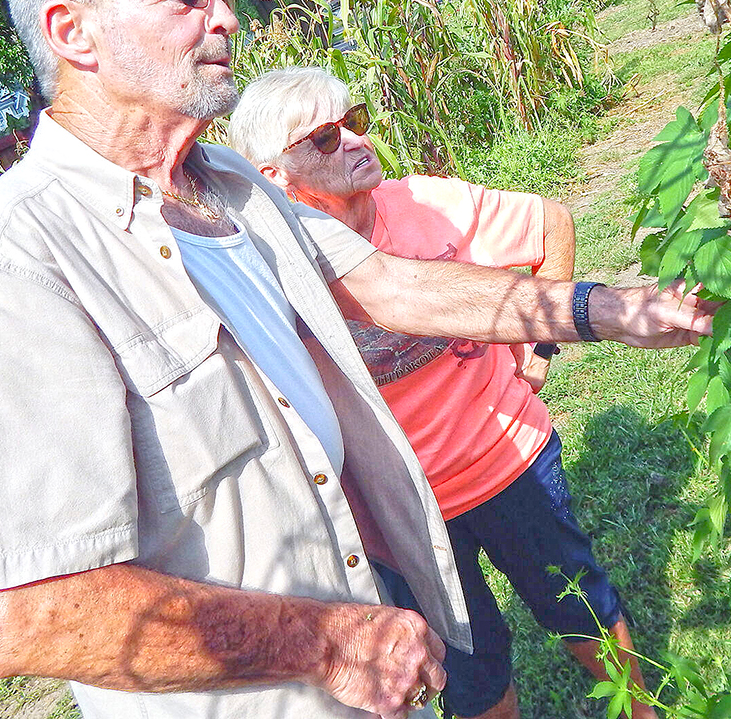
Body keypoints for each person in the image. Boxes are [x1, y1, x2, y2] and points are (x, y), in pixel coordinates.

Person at [0, 0, 715, 719]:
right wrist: (324, 642)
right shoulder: (14, 262)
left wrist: (606, 308)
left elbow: (397, 286)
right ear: (74, 31)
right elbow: (18, 613)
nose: (225, 16)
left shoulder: (234, 188)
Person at [229, 67, 657, 719]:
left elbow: (550, 226)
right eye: (322, 138)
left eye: (356, 121)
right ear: (271, 176)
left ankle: (643, 713)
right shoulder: (267, 278)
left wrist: (539, 351)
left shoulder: (427, 205)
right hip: (399, 509)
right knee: (468, 669)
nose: (352, 140)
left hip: (508, 459)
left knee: (579, 604)